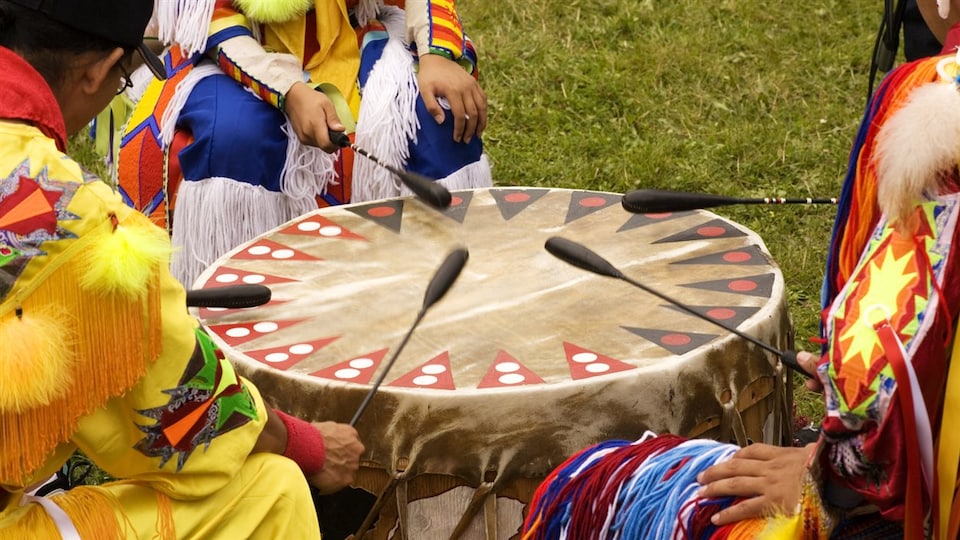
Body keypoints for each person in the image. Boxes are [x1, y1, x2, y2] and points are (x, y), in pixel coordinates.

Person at [522, 27, 960, 540]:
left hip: (921, 508)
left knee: (593, 488)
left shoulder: (941, 100)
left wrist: (828, 472)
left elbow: (890, 338)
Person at [0, 1, 364, 538]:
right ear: (98, 71)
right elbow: (177, 412)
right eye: (124, 78)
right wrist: (308, 444)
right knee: (271, 490)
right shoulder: (68, 218)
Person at [116, 0, 493, 287]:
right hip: (232, 48)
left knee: (435, 118)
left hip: (356, 30)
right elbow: (214, 19)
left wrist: (436, 55)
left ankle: (437, 287)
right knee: (237, 137)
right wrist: (289, 93)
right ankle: (233, 305)